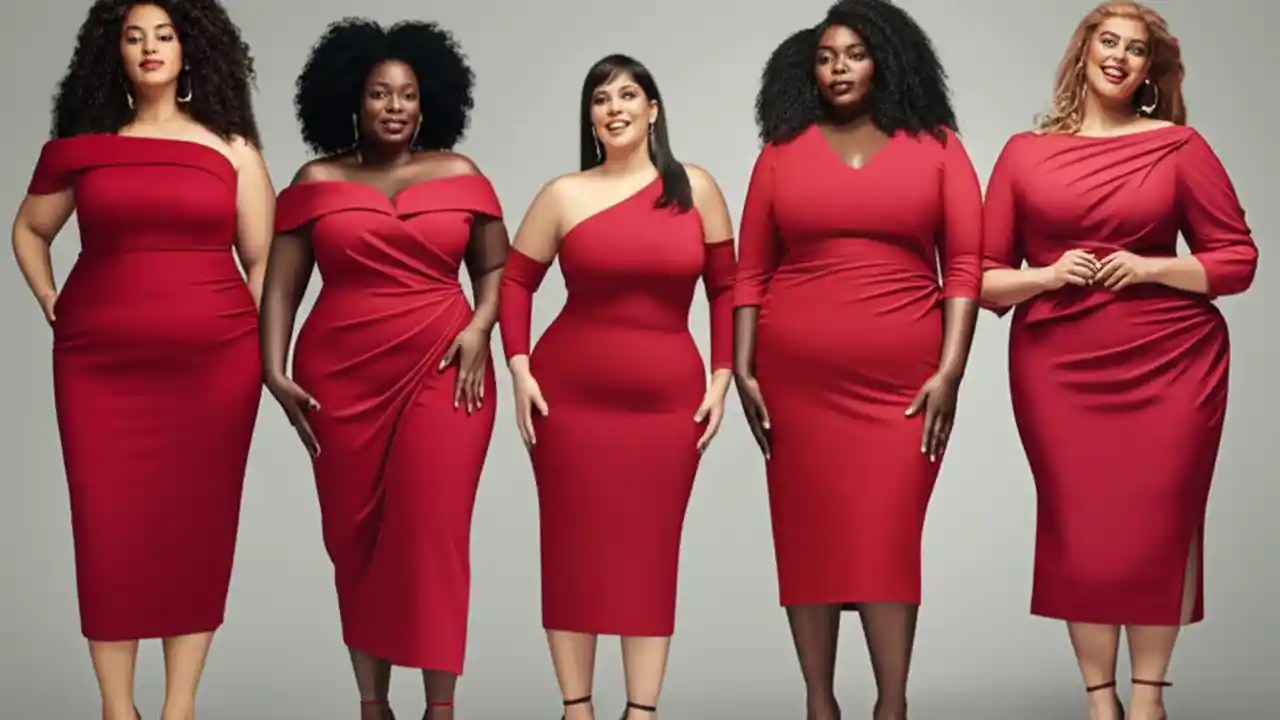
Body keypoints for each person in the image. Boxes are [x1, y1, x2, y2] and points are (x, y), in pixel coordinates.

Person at [979, 3, 1258, 719]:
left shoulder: (1178, 147)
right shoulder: (1022, 154)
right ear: (1084, 53)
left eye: (1136, 50)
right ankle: (1100, 703)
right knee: (1082, 530)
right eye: (1108, 42)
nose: (1120, 57)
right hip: (1059, 368)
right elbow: (980, 279)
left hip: (1172, 364)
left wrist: (1150, 268)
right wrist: (1045, 276)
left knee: (1159, 527)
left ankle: (1148, 702)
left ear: (1148, 70)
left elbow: (1237, 261)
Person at [9, 1, 270, 718]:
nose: (150, 48)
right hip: (99, 368)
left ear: (193, 49)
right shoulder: (83, 143)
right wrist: (51, 301)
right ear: (112, 51)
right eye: (133, 36)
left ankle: (178, 708)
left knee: (198, 528)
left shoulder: (232, 147)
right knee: (107, 531)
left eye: (165, 34)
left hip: (215, 371)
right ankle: (116, 709)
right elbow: (29, 231)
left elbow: (265, 260)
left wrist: (240, 335)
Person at [732, 1, 983, 718]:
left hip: (904, 383)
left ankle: (892, 705)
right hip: (795, 380)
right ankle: (819, 704)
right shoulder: (781, 151)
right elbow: (750, 272)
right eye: (826, 56)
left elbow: (963, 265)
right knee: (808, 539)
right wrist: (745, 367)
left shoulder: (937, 146)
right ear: (808, 69)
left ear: (888, 61)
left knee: (886, 538)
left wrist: (951, 370)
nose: (839, 68)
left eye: (856, 54)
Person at [259, 18, 508, 720]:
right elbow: (281, 289)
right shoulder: (315, 181)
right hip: (338, 377)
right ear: (352, 102)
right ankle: (373, 704)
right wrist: (274, 373)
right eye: (378, 94)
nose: (394, 106)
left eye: (407, 94)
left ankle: (440, 707)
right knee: (354, 538)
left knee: (432, 531)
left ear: (428, 104)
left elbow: (494, 268)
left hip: (445, 364)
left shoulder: (461, 175)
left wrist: (480, 326)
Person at [497, 53, 736, 720]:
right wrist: (518, 366)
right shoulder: (563, 194)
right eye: (600, 99)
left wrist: (721, 375)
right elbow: (515, 282)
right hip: (569, 403)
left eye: (628, 94)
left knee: (649, 554)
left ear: (654, 108)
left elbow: (726, 288)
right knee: (572, 552)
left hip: (667, 404)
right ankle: (576, 708)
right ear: (591, 117)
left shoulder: (697, 188)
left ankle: (642, 712)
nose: (614, 107)